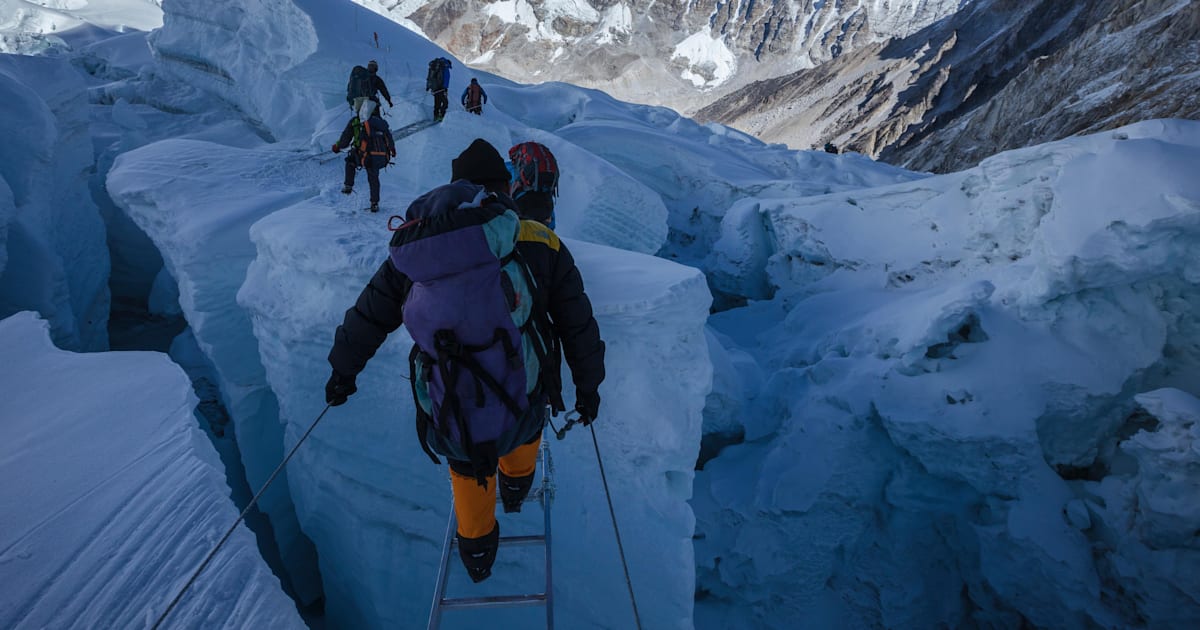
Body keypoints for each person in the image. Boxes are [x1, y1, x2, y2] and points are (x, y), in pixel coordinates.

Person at [324, 138, 604, 582]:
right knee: (523, 435)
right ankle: (516, 487)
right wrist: (588, 388)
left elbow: (370, 313)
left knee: (468, 469)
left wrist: (343, 370)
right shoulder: (537, 240)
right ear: (504, 188)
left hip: (451, 407)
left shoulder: (420, 248)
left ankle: (477, 555)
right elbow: (577, 324)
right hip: (524, 400)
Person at [331, 101, 395, 212]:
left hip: (363, 155)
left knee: (350, 161)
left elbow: (345, 140)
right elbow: (389, 138)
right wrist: (392, 150)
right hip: (380, 156)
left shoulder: (356, 121)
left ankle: (348, 186)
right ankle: (374, 203)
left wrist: (337, 147)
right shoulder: (381, 123)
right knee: (373, 177)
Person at [427, 57, 451, 121]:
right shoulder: (445, 68)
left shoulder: (436, 66)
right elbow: (446, 79)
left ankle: (435, 116)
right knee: (445, 103)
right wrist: (445, 88)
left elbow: (430, 76)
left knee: (437, 102)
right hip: (442, 88)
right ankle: (441, 116)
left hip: (435, 88)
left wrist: (429, 86)